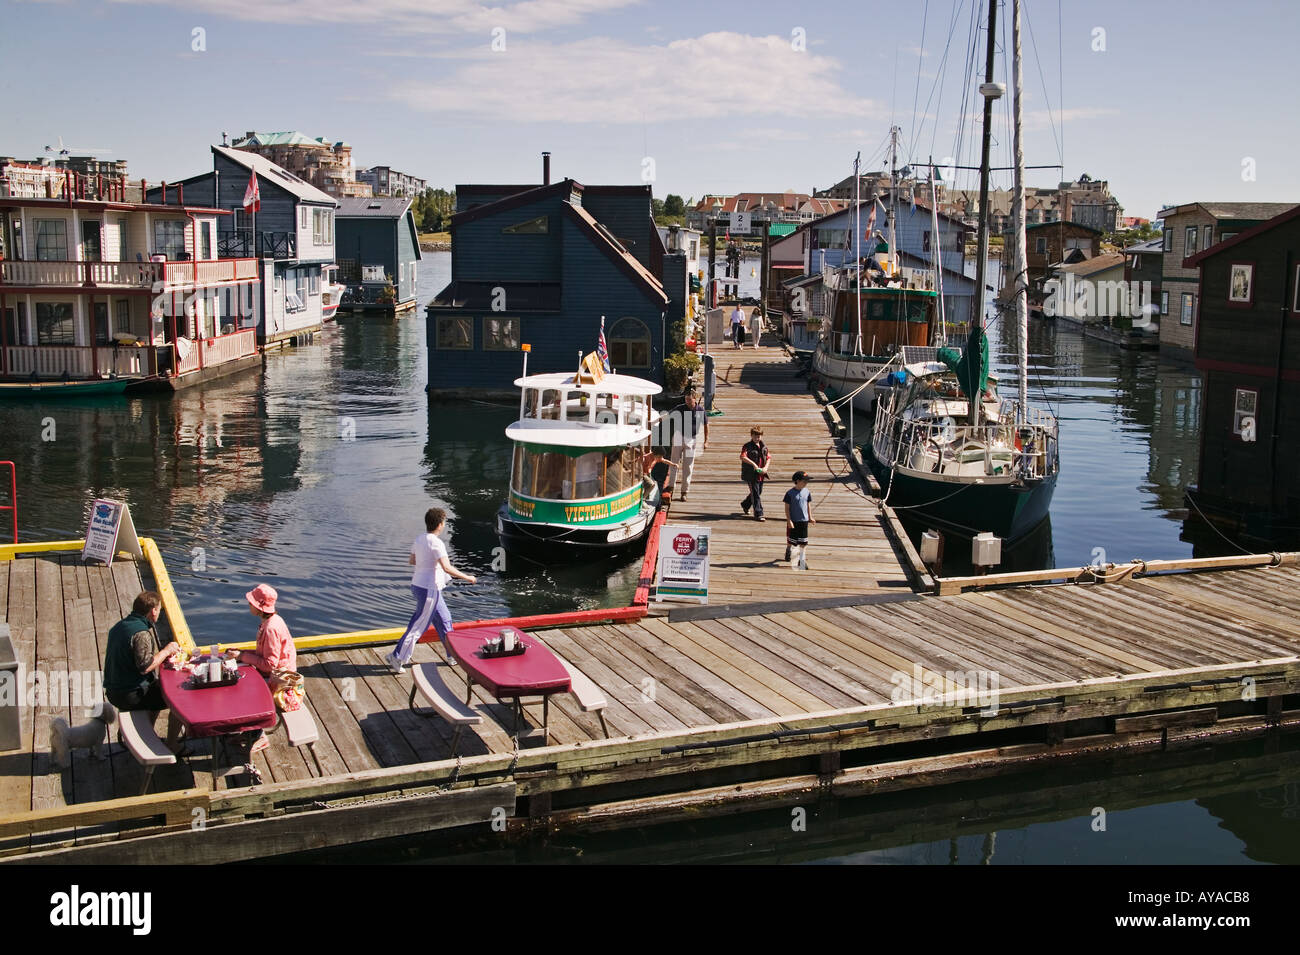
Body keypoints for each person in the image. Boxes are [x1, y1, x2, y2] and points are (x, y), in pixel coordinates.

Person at [385, 507, 476, 674]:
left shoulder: (420, 539)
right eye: (444, 523)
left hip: (418, 586)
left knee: (445, 619)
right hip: (429, 589)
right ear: (440, 524)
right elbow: (447, 568)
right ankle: (397, 657)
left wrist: (427, 562)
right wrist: (468, 577)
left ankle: (452, 655)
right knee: (418, 626)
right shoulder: (436, 542)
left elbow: (412, 560)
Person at [102, 591, 184, 751]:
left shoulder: (120, 626)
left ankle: (146, 731)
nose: (159, 614)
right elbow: (145, 667)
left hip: (113, 690)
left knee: (157, 691)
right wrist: (167, 651)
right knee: (177, 701)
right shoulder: (141, 633)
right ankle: (172, 744)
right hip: (129, 694)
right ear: (153, 610)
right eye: (159, 610)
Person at [239, 583, 297, 677]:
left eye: (251, 603)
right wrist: (242, 653)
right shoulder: (275, 619)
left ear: (259, 607)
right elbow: (264, 654)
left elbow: (270, 665)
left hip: (280, 677)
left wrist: (241, 656)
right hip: (283, 670)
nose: (249, 604)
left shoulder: (270, 629)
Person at [669, 388, 708, 500]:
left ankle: (684, 491)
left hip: (691, 439)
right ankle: (671, 486)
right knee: (673, 463)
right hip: (679, 436)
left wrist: (706, 440)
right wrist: (657, 420)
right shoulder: (681, 408)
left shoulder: (700, 410)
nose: (687, 402)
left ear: (695, 399)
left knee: (688, 466)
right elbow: (668, 414)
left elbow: (706, 426)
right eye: (686, 400)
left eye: (689, 400)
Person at [784, 471, 816, 568]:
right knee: (791, 540)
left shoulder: (807, 492)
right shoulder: (790, 493)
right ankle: (788, 549)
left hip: (804, 521)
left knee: (803, 542)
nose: (806, 483)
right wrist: (789, 520)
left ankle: (801, 561)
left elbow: (808, 505)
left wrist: (810, 517)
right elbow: (787, 508)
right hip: (794, 521)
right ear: (797, 481)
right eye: (804, 481)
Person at [739, 426, 771, 521]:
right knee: (756, 493)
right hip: (751, 474)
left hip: (761, 474)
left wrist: (765, 468)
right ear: (751, 436)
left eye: (759, 436)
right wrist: (754, 464)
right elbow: (742, 456)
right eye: (755, 436)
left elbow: (769, 457)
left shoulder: (764, 446)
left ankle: (745, 504)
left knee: (758, 491)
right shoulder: (747, 446)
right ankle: (759, 514)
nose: (757, 438)